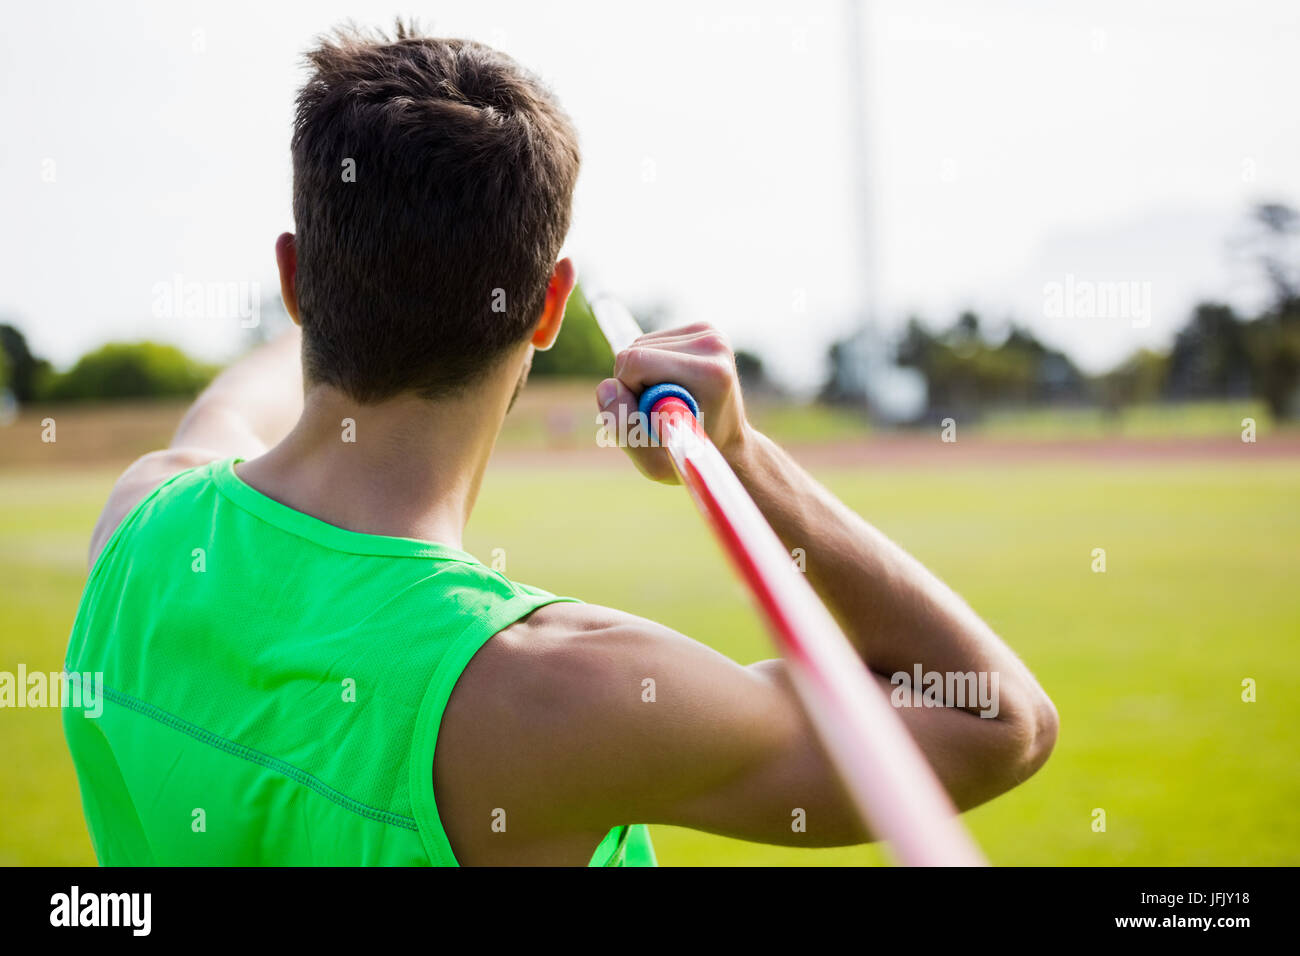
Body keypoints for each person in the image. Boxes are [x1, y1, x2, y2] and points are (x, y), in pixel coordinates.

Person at [63, 22, 1056, 867]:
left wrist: (363, 268)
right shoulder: (556, 688)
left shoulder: (140, 521)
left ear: (290, 277)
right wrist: (743, 452)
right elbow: (998, 721)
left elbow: (239, 398)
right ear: (547, 310)